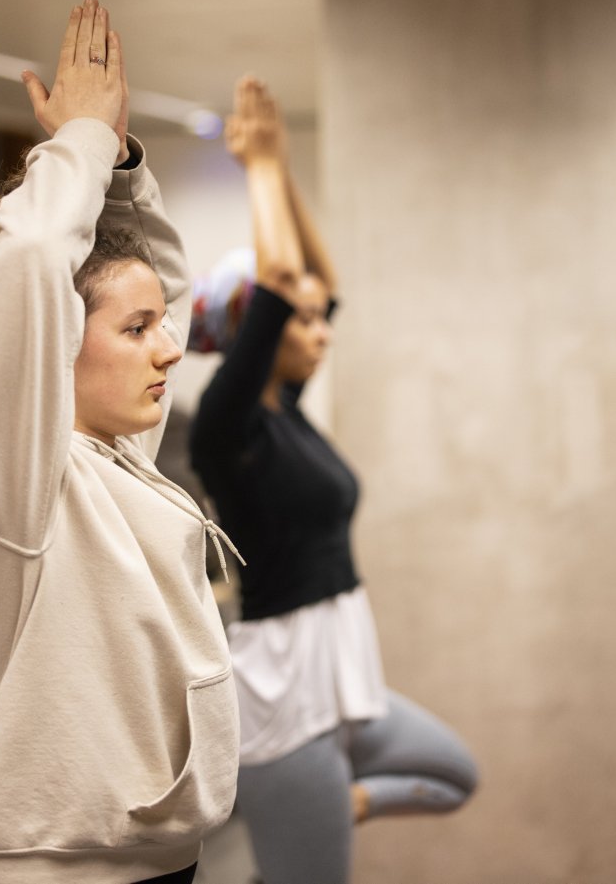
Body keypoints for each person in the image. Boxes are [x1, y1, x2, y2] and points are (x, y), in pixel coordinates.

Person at [0, 0, 238, 884]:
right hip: (64, 864)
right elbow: (28, 267)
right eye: (135, 331)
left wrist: (121, 166)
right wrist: (78, 140)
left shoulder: (115, 455)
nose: (169, 344)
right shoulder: (26, 482)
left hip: (153, 852)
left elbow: (164, 285)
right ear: (55, 350)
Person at [188, 77, 477, 884]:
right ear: (253, 335)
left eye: (319, 320)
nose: (322, 331)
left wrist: (283, 174)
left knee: (457, 771)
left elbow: (315, 276)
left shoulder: (287, 411)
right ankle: (307, 811)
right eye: (300, 322)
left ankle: (333, 806)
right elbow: (286, 278)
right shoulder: (225, 424)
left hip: (344, 680)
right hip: (285, 709)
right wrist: (261, 168)